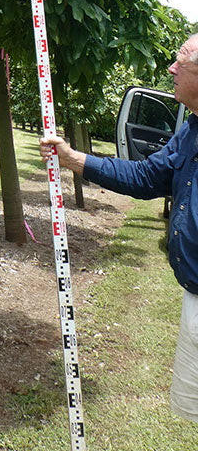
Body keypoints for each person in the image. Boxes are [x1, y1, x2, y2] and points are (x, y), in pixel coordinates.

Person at [39, 34, 198, 422]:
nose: (172, 69)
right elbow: (146, 176)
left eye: (182, 62)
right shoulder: (191, 130)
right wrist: (73, 159)